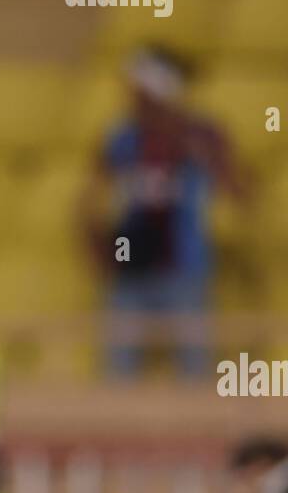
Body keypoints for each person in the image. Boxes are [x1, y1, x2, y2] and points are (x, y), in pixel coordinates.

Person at [83, 46, 247, 377]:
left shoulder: (201, 133)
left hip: (184, 266)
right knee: (118, 370)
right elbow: (90, 197)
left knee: (194, 368)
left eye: (140, 91)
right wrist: (96, 244)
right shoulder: (123, 137)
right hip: (129, 265)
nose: (132, 99)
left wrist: (193, 147)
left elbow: (239, 192)